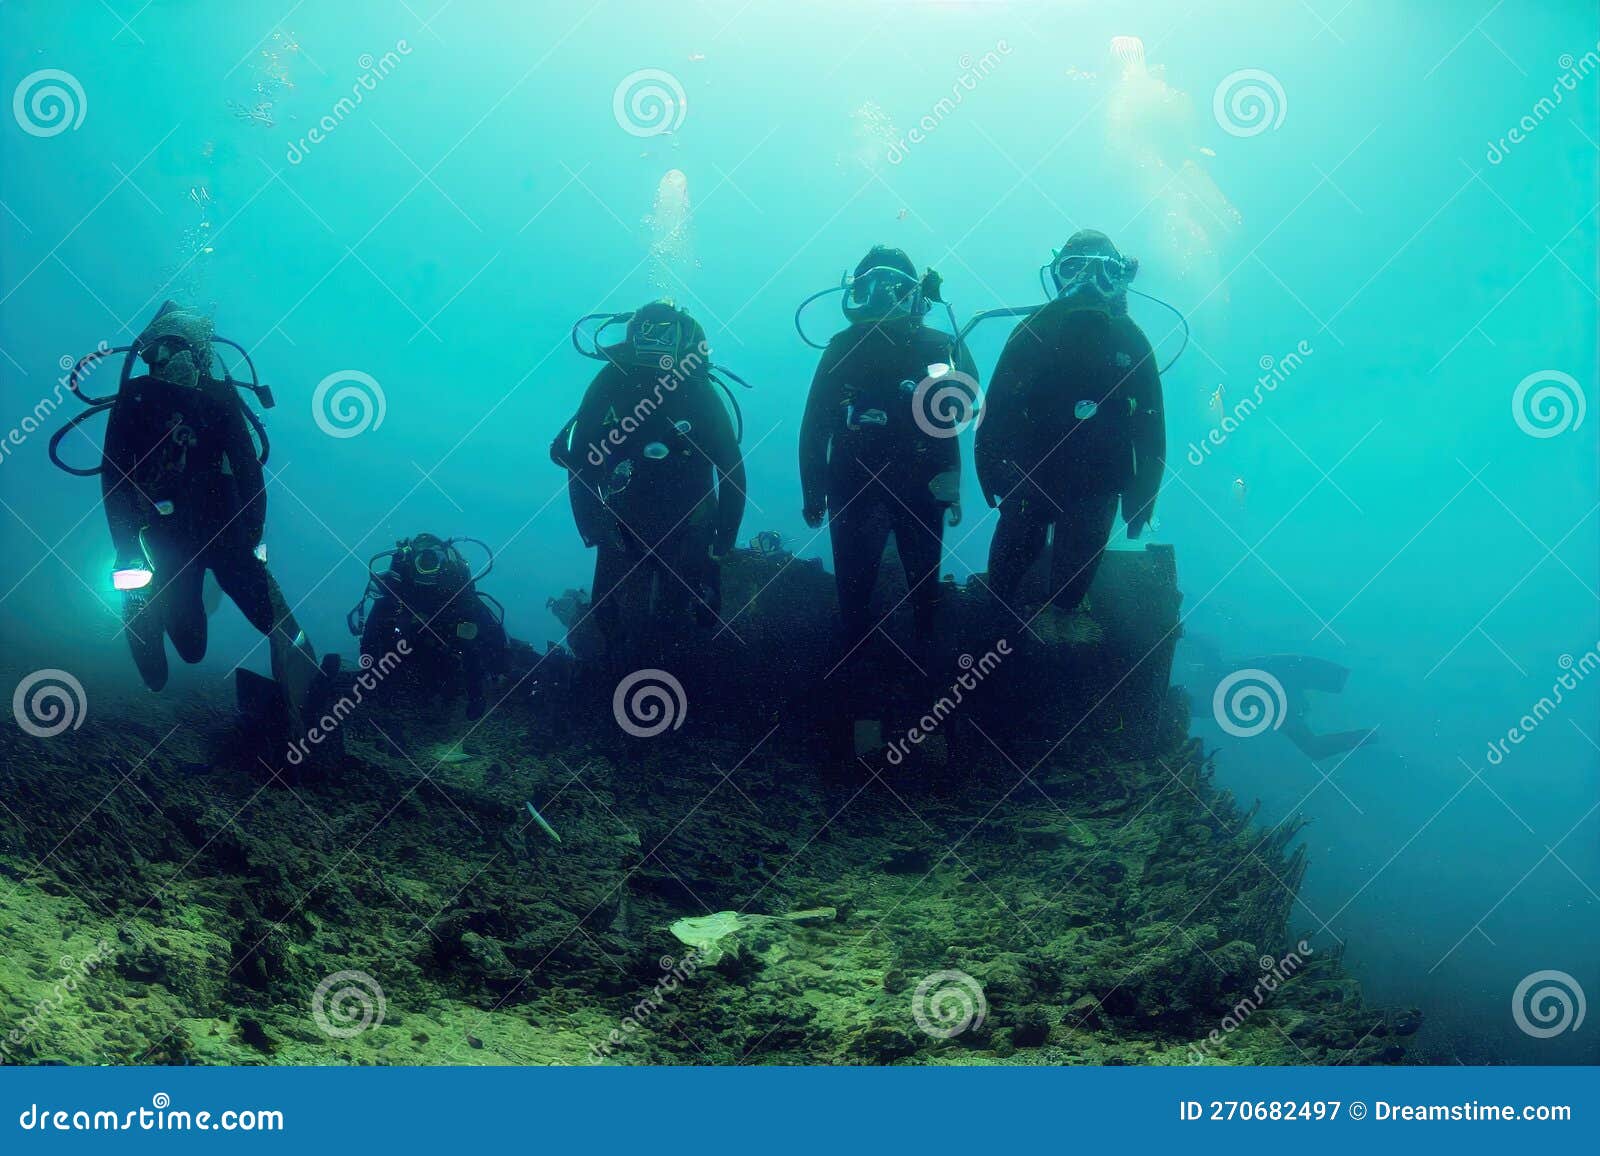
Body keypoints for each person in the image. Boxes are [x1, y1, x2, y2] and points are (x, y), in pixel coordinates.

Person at [99, 303, 324, 731]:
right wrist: (126, 550)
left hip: (228, 535)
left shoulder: (220, 398)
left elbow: (248, 470)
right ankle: (142, 609)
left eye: (172, 348)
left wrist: (253, 537)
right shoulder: (135, 398)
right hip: (167, 541)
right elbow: (114, 478)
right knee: (190, 649)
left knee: (271, 617)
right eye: (153, 351)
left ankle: (309, 705)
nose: (161, 359)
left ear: (198, 354)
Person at [976, 230, 1165, 643]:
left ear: (1119, 280)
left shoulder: (1130, 340)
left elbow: (1151, 426)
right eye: (1074, 270)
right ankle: (996, 628)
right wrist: (990, 471)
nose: (1087, 284)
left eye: (1103, 274)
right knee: (1008, 568)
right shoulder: (1033, 331)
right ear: (1057, 276)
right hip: (1029, 479)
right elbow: (998, 408)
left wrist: (1141, 501)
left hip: (1096, 487)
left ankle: (1061, 618)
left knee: (1074, 576)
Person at [799, 245, 976, 661]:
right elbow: (814, 425)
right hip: (860, 487)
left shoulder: (936, 345)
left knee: (923, 592)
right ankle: (858, 675)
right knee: (854, 597)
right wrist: (813, 491)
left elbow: (962, 406)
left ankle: (920, 671)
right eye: (872, 287)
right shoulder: (841, 348)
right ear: (858, 292)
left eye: (894, 287)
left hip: (914, 488)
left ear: (914, 295)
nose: (882, 296)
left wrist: (952, 485)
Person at [553, 300, 746, 663]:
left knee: (694, 616)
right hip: (623, 522)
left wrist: (723, 538)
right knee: (606, 617)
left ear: (680, 339)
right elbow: (579, 461)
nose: (654, 340)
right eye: (647, 330)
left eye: (665, 333)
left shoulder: (698, 388)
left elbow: (731, 466)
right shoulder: (611, 380)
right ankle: (623, 677)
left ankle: (677, 679)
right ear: (632, 333)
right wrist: (594, 529)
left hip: (691, 520)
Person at [349, 534, 511, 720]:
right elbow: (371, 634)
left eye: (433, 557)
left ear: (445, 559)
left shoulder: (456, 588)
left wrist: (498, 667)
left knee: (470, 636)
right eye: (423, 558)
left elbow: (488, 630)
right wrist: (368, 671)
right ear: (410, 559)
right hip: (408, 660)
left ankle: (473, 693)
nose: (428, 562)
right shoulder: (399, 585)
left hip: (448, 658)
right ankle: (389, 691)